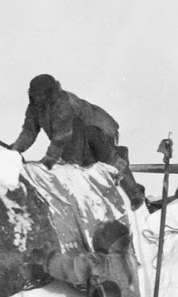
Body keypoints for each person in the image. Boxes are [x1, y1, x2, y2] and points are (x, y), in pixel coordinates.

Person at [9, 74, 146, 207]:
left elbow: (61, 136)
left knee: (104, 158)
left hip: (98, 128)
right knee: (77, 161)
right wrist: (17, 148)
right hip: (76, 134)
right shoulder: (35, 108)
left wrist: (49, 160)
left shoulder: (63, 104)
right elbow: (29, 131)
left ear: (50, 93)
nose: (38, 98)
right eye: (35, 95)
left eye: (41, 95)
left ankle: (135, 194)